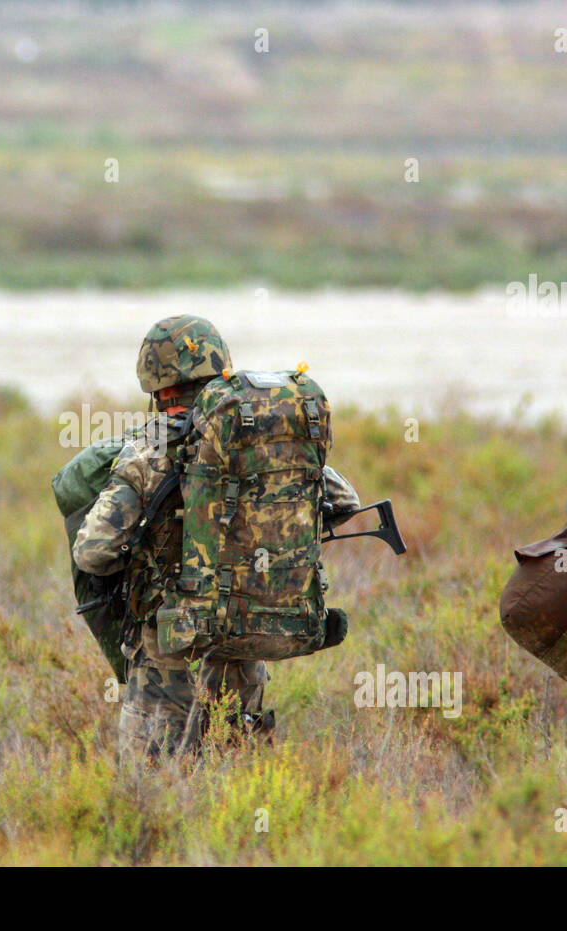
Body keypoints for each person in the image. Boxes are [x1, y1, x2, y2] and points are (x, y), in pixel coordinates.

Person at [73, 315, 360, 759]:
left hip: (169, 662)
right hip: (245, 654)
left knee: (154, 804)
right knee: (237, 792)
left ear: (161, 388)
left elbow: (93, 552)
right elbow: (345, 501)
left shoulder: (150, 451)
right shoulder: (263, 446)